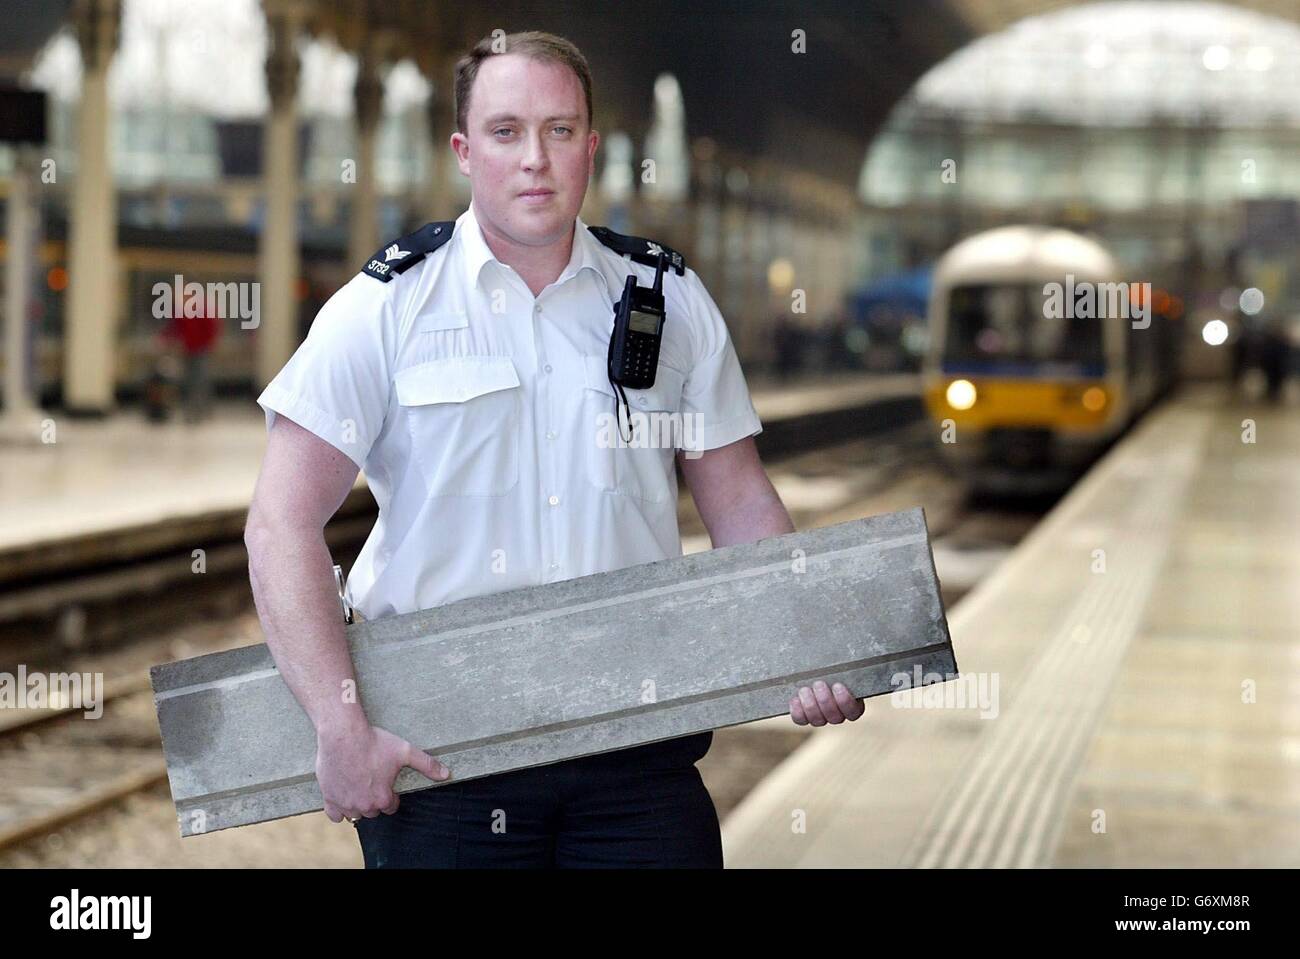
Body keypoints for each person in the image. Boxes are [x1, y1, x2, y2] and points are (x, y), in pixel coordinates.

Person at [244, 30, 865, 869]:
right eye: (506, 132)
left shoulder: (668, 300)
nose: (534, 158)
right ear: (464, 150)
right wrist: (338, 724)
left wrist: (799, 643)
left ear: (592, 148)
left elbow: (743, 502)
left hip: (639, 763)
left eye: (560, 130)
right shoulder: (384, 308)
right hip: (443, 764)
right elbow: (280, 522)